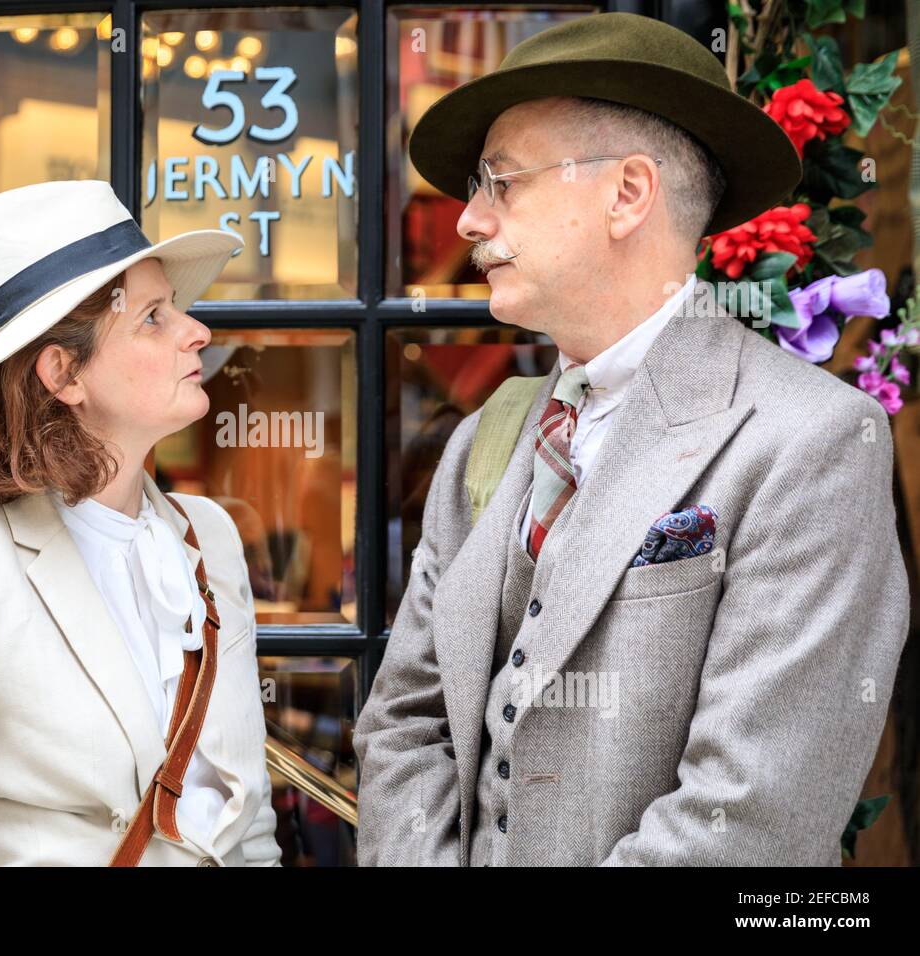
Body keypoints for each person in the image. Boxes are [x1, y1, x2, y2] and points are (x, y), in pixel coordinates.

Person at [354, 12, 909, 865]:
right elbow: (403, 724)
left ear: (627, 193)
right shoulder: (486, 438)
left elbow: (751, 813)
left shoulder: (813, 441)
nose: (466, 221)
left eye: (501, 181)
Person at [0, 180, 281, 866]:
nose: (196, 331)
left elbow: (247, 818)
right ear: (64, 374)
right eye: (152, 317)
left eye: (175, 308)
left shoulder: (210, 536)